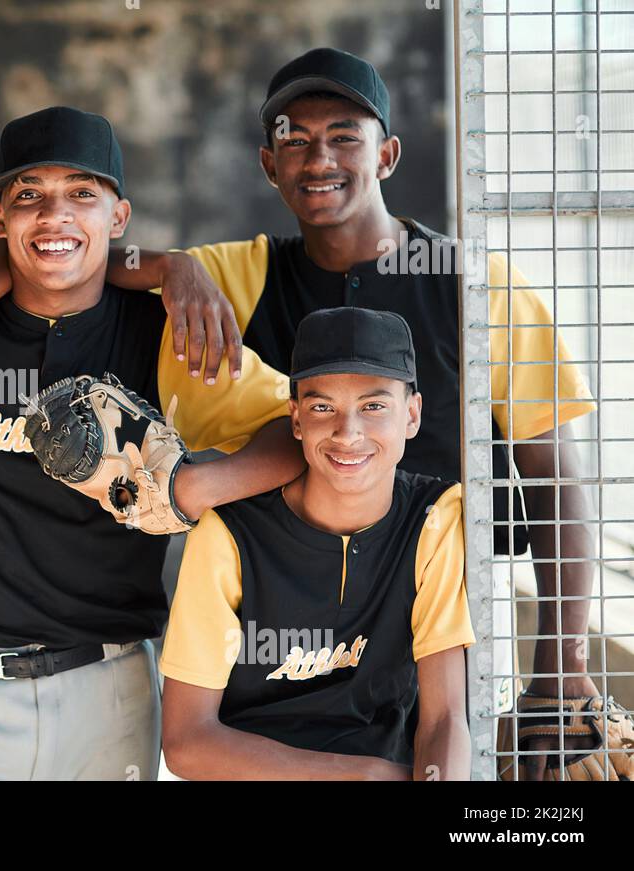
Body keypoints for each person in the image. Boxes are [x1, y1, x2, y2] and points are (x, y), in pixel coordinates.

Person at [0, 48, 606, 778]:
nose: (319, 158)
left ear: (388, 153)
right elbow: (71, 255)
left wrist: (558, 670)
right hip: (289, 645)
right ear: (268, 164)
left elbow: (555, 485)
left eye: (344, 136)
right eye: (293, 139)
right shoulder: (240, 277)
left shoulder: (480, 288)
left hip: (442, 631)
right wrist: (174, 268)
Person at [0, 107, 302, 780]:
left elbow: (301, 428)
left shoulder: (164, 336)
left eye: (81, 195)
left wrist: (197, 484)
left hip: (107, 688)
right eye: (29, 195)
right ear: (0, 216)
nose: (54, 216)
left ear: (117, 216)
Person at [160, 307, 473, 780]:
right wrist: (365, 777)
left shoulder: (435, 517)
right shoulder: (230, 533)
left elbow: (446, 716)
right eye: (323, 407)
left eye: (373, 406)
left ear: (411, 415)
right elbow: (186, 742)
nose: (348, 434)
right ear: (296, 418)